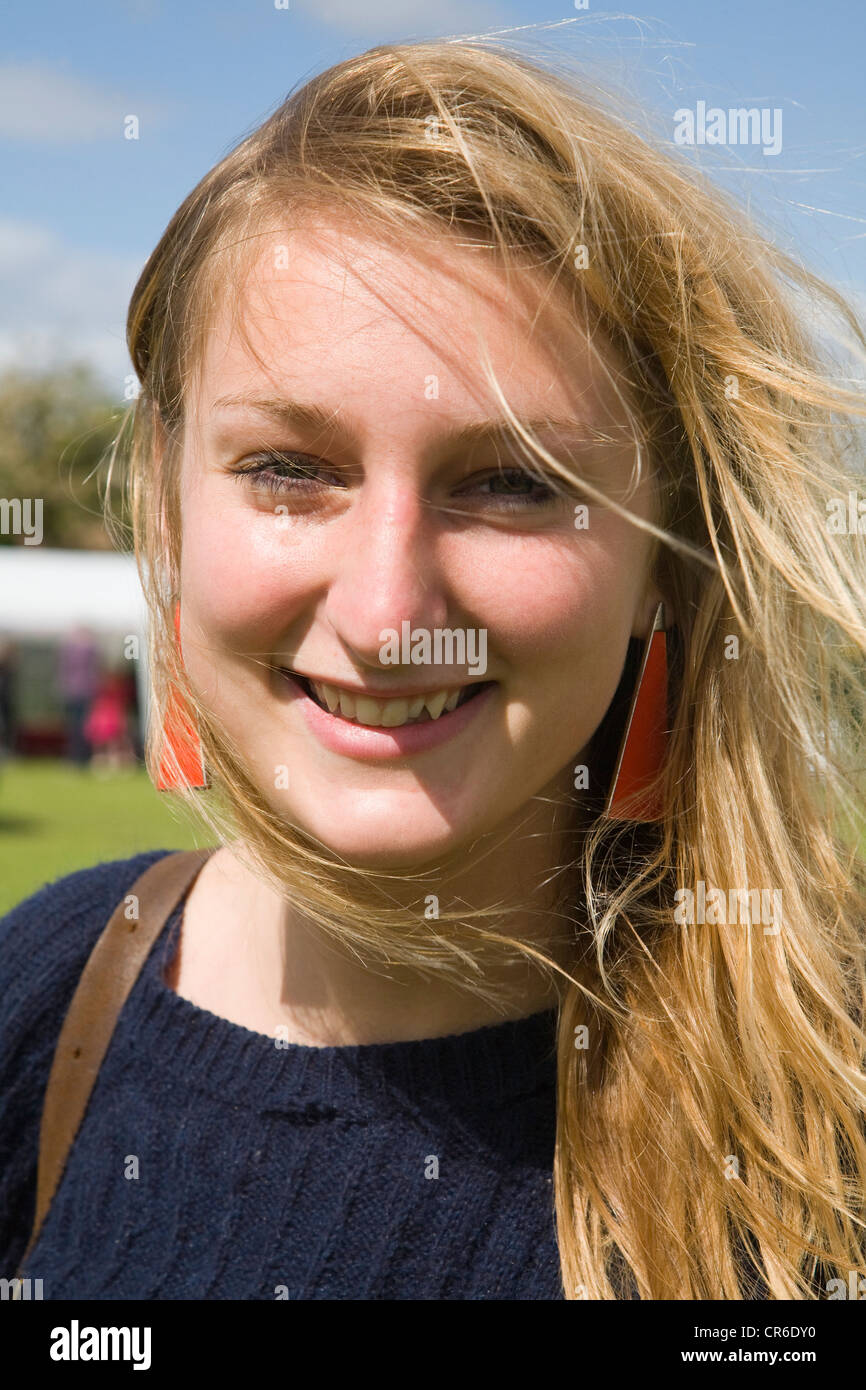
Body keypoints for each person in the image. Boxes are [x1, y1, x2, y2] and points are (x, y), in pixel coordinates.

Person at [1, 38, 865, 1301]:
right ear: (169, 515)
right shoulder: (55, 988)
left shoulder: (827, 1103)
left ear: (662, 568)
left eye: (511, 482)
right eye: (289, 470)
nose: (389, 610)